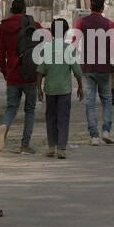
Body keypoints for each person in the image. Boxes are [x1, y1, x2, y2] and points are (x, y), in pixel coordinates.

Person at [0, 0, 42, 153]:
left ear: (11, 9)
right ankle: (25, 144)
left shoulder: (4, 26)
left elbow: (0, 53)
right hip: (30, 74)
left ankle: (4, 126)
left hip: (13, 74)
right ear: (24, 10)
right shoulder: (33, 25)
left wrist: (4, 71)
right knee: (30, 110)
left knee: (11, 108)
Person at [74, 0, 114, 145]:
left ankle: (94, 136)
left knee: (90, 102)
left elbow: (74, 44)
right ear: (103, 7)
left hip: (87, 68)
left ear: (90, 6)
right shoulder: (110, 25)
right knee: (107, 100)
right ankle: (106, 131)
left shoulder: (81, 23)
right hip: (105, 68)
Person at [36, 18, 84, 159]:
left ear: (51, 32)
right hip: (64, 90)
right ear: (65, 32)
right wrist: (80, 87)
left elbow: (40, 71)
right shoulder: (69, 49)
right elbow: (77, 71)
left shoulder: (46, 49)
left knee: (50, 118)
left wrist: (39, 88)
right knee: (63, 118)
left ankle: (51, 147)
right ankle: (61, 148)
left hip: (50, 90)